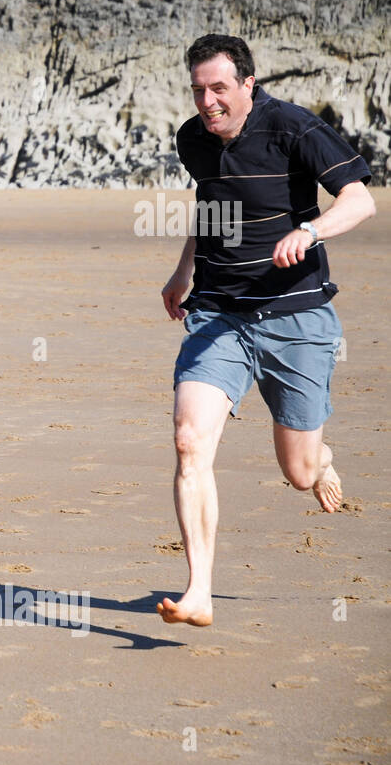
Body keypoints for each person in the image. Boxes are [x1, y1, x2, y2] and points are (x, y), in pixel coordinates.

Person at [158, 34, 377, 626]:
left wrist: (310, 233)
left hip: (295, 314)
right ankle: (198, 590)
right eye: (199, 90)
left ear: (248, 84)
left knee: (299, 471)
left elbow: (360, 201)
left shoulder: (294, 129)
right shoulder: (192, 139)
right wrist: (184, 269)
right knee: (188, 441)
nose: (207, 101)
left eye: (219, 88)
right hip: (220, 313)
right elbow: (213, 205)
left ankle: (321, 458)